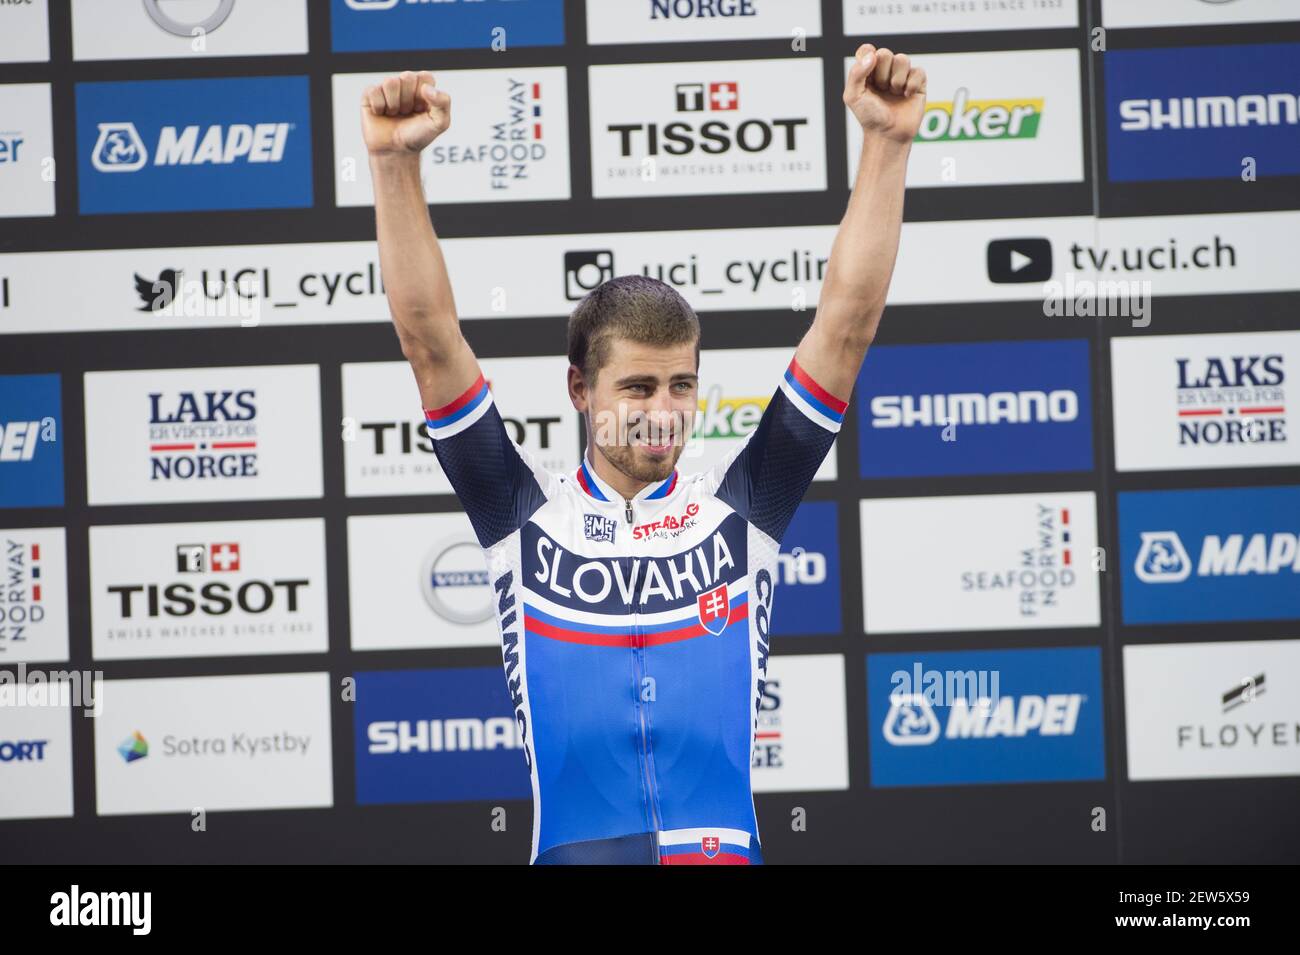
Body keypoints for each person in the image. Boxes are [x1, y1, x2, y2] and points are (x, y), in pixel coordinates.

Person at [362, 45, 925, 864]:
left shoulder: (743, 513)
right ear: (579, 390)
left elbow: (845, 324)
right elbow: (429, 340)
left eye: (682, 386)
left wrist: (887, 143)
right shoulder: (518, 516)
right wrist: (393, 163)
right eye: (637, 389)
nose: (664, 415)